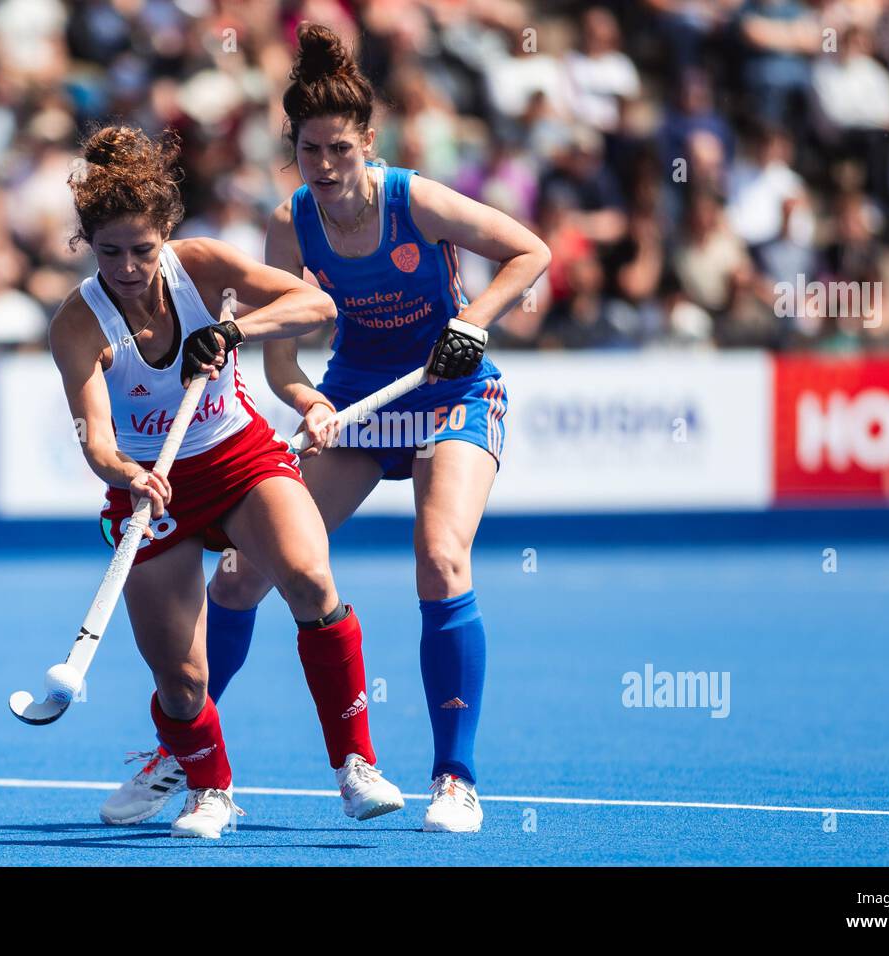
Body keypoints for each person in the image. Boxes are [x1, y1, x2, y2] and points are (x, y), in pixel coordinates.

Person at [102, 23, 551, 833]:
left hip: (452, 393)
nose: (328, 166)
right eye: (311, 151)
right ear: (294, 150)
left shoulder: (417, 199)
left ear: (367, 144)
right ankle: (180, 755)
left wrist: (475, 322)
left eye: (341, 149)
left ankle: (455, 780)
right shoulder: (291, 223)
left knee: (441, 557)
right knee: (241, 575)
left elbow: (529, 251)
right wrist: (307, 401)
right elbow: (281, 362)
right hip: (355, 403)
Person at [54, 123, 403, 839]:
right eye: (109, 252)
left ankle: (356, 766)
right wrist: (129, 474)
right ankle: (210, 788)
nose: (127, 268)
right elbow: (95, 438)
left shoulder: (202, 266)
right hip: (147, 482)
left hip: (238, 456)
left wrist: (233, 333)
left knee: (309, 578)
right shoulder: (76, 324)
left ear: (167, 235)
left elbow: (318, 306)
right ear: (89, 245)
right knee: (182, 682)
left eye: (142, 250)